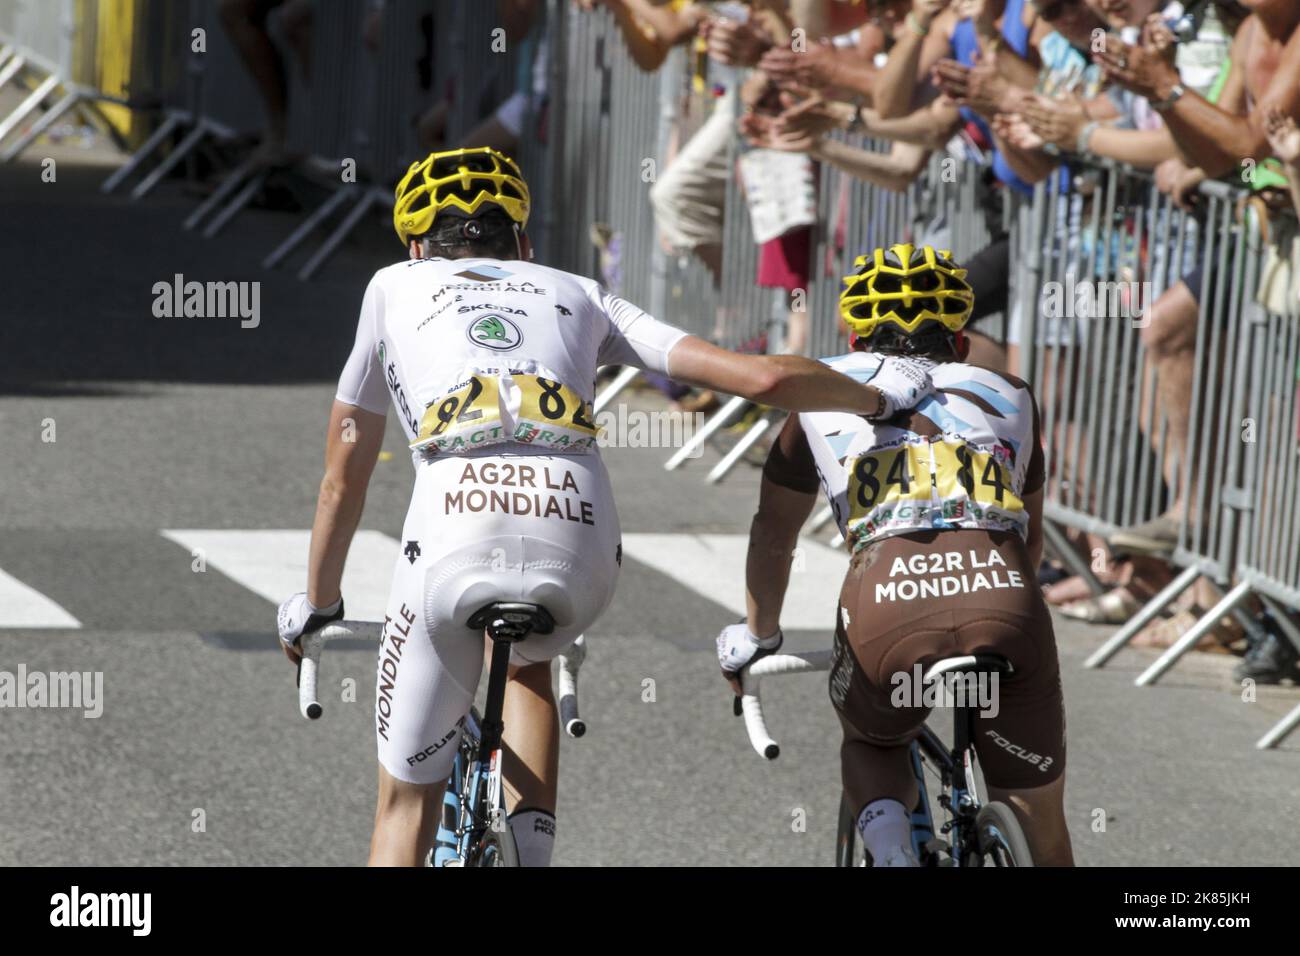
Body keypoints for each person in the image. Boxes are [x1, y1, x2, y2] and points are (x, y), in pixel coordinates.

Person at [274, 147, 938, 866]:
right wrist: (882, 395)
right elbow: (763, 377)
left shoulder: (391, 287)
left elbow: (344, 477)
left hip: (452, 536)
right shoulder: (579, 290)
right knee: (526, 661)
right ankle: (534, 855)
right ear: (525, 244)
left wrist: (319, 602)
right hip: (579, 544)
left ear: (414, 248)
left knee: (404, 804)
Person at [717, 243, 1074, 866]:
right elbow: (1031, 540)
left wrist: (759, 634)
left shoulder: (814, 402)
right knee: (1039, 819)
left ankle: (889, 851)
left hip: (888, 606)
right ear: (960, 342)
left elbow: (773, 538)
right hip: (1003, 595)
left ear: (854, 340)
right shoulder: (1011, 391)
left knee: (874, 742)